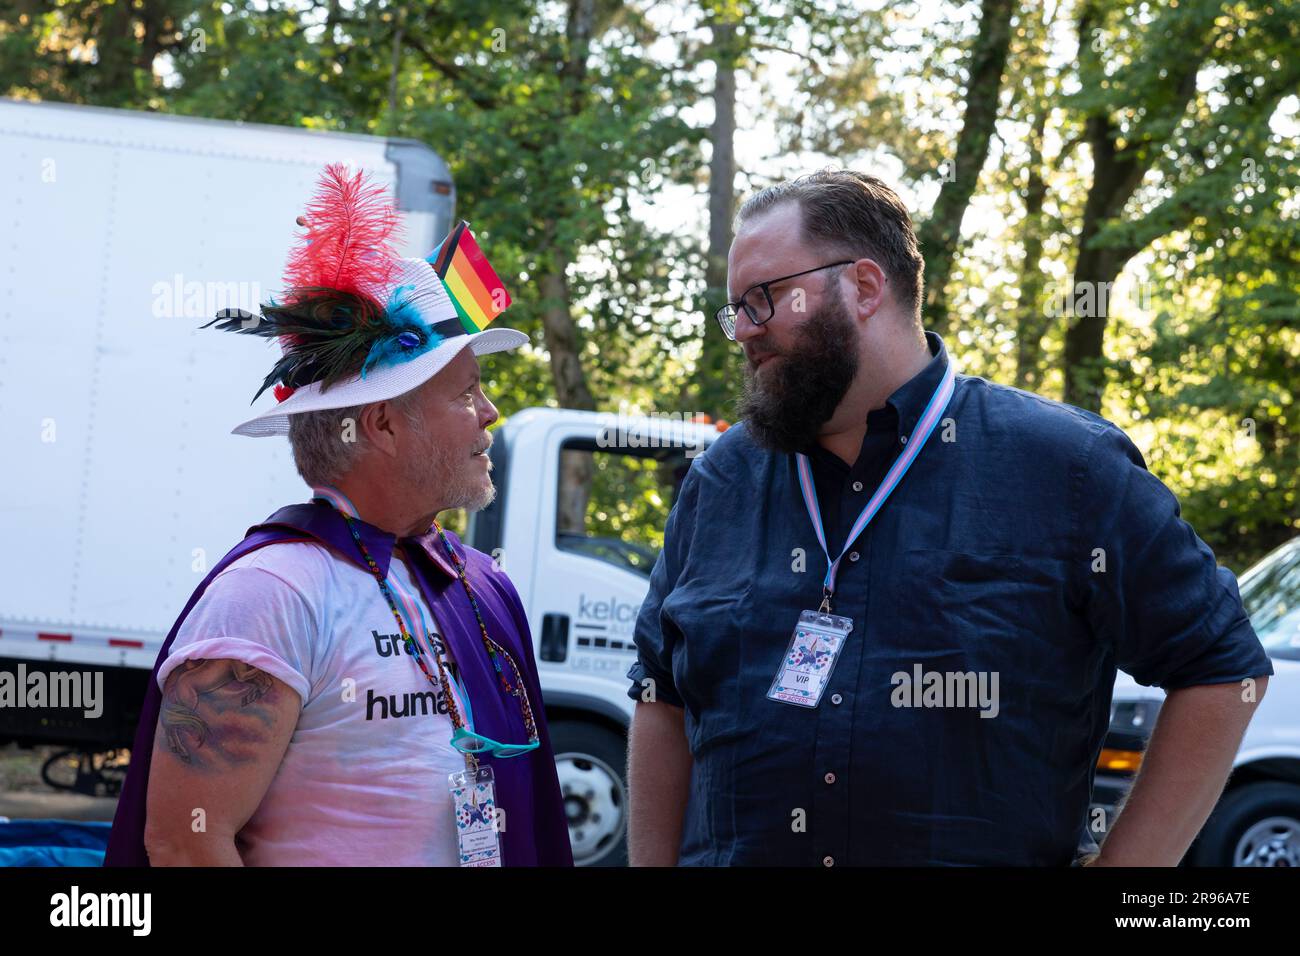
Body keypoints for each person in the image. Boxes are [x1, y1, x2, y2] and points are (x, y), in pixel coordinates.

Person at [625, 168, 1273, 867]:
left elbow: (1221, 666)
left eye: (764, 300)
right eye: (736, 310)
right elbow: (660, 694)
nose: (744, 332)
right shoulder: (722, 478)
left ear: (864, 287)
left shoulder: (1065, 467)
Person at [105, 164, 572, 867]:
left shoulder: (476, 586)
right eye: (465, 393)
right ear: (381, 425)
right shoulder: (271, 594)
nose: (489, 414)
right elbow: (184, 841)